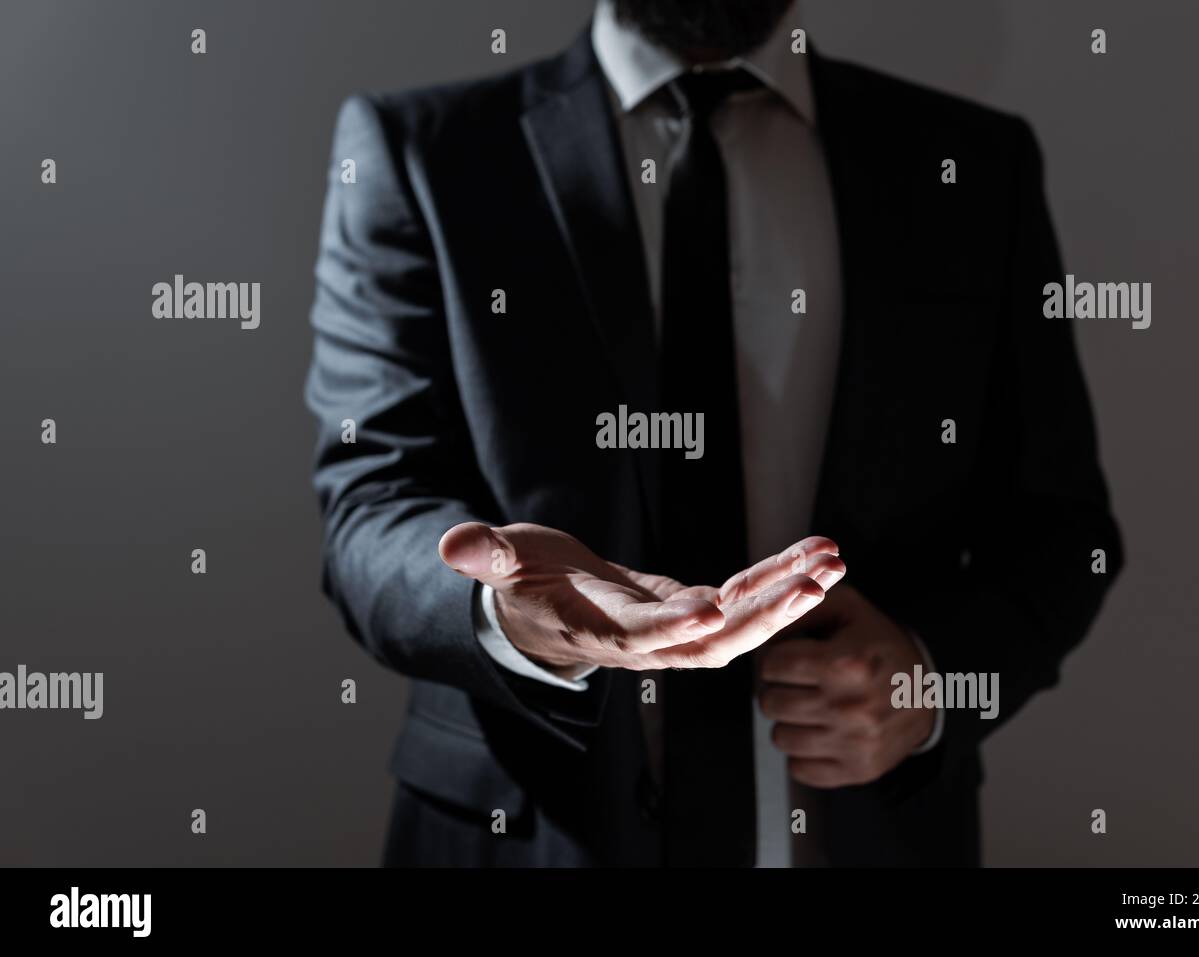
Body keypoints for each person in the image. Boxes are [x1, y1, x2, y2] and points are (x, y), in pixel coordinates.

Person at [305, 0, 1123, 866]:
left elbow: (1062, 529)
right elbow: (370, 503)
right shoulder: (421, 151)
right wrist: (508, 617)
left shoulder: (971, 163)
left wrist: (930, 679)